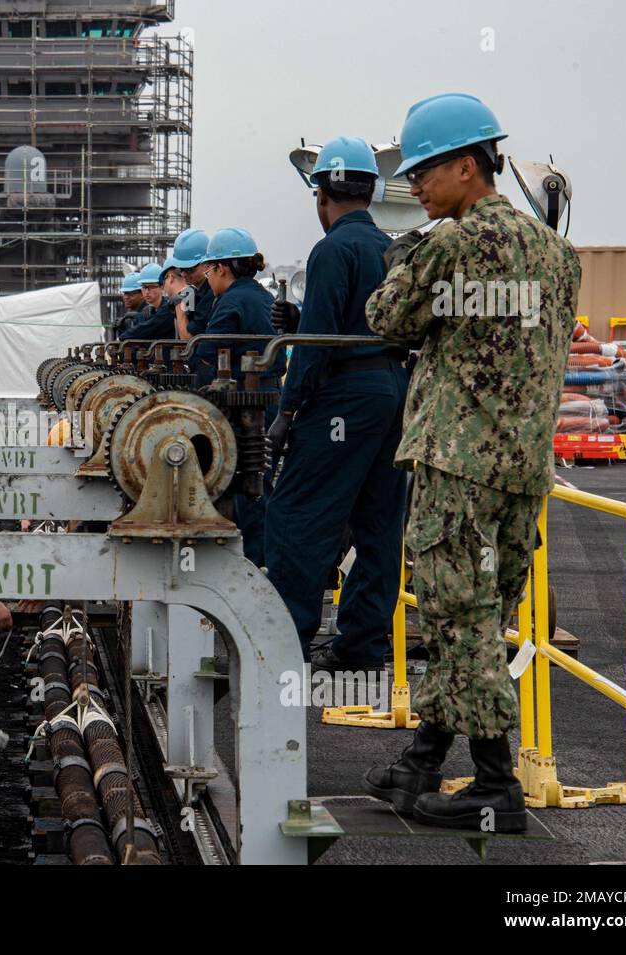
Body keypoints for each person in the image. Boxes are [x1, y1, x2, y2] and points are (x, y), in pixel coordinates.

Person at [363, 94, 581, 833]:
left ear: (468, 165)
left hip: (457, 462)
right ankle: (422, 760)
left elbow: (388, 320)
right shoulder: (557, 254)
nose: (415, 187)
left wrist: (401, 266)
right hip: (523, 468)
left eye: (425, 171)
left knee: (459, 618)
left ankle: (495, 784)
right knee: (485, 616)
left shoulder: (450, 246)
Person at [262, 136, 408, 672]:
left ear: (321, 194)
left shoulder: (331, 250)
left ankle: (284, 646)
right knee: (378, 523)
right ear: (372, 190)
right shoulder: (391, 249)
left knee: (297, 515)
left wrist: (286, 411)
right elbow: (373, 325)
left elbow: (322, 342)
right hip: (392, 391)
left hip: (345, 396)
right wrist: (304, 323)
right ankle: (363, 647)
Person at [191, 227, 283, 566]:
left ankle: (257, 562)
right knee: (261, 481)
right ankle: (264, 559)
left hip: (248, 404)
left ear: (221, 269)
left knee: (250, 486)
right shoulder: (262, 296)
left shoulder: (230, 301)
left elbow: (205, 352)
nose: (207, 276)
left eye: (209, 269)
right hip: (270, 397)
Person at [168, 228, 213, 340]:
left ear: (207, 264)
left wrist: (180, 304)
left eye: (189, 269)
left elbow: (188, 339)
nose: (183, 274)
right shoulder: (197, 293)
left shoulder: (210, 295)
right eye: (180, 269)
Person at [122, 263, 173, 340]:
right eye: (144, 287)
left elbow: (150, 327)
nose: (147, 291)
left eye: (151, 287)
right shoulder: (148, 311)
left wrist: (120, 339)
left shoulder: (169, 308)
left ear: (162, 287)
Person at [114, 272, 144, 340]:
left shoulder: (150, 312)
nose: (126, 297)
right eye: (125, 293)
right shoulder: (129, 317)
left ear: (142, 293)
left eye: (130, 294)